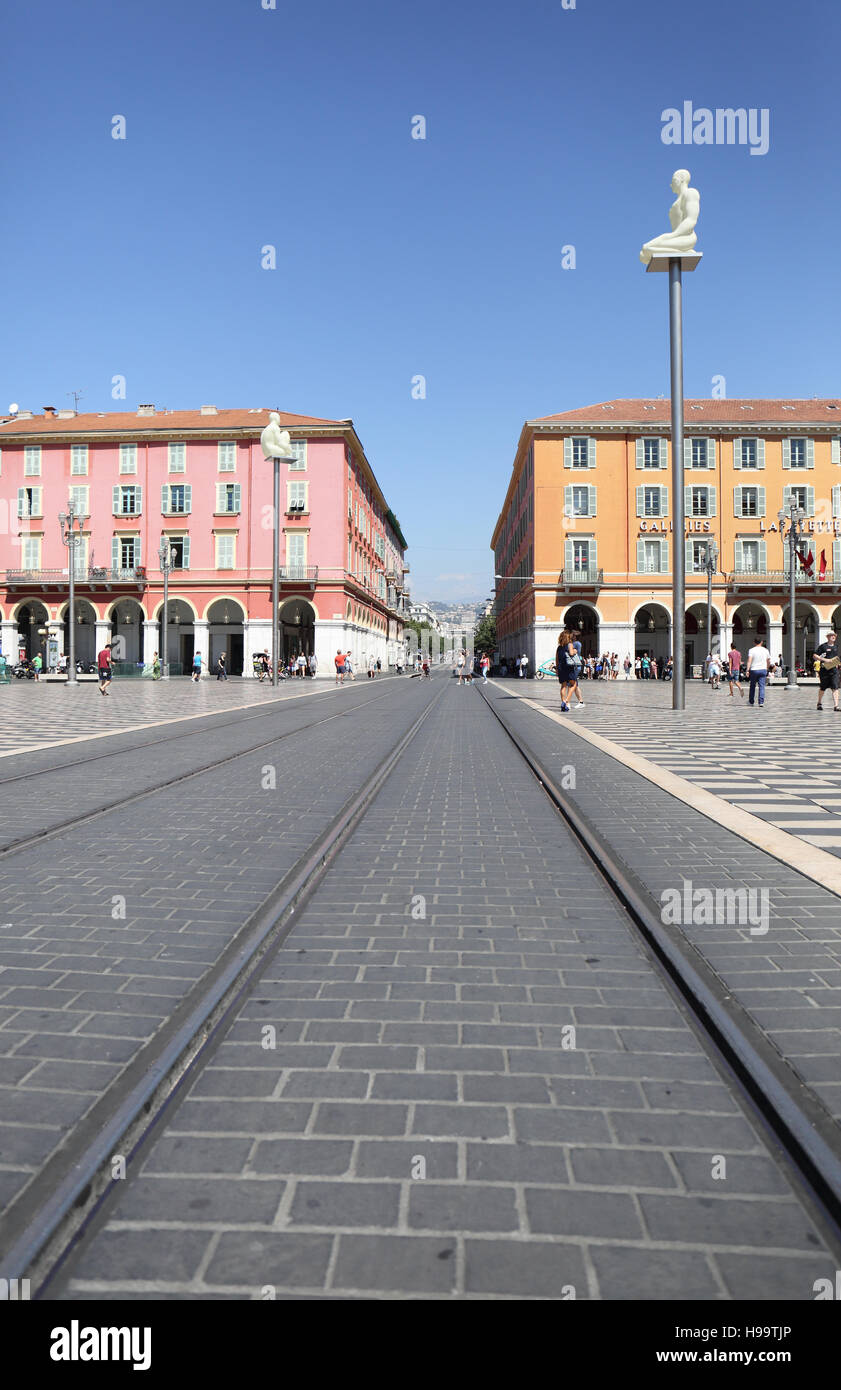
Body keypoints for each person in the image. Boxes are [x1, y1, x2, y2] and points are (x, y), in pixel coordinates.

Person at [814, 629, 841, 711]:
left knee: (835, 687)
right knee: (823, 687)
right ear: (827, 637)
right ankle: (819, 703)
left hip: (834, 670)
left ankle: (836, 706)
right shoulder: (823, 646)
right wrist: (825, 660)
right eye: (831, 635)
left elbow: (838, 658)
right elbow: (815, 656)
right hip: (824, 670)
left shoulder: (837, 647)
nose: (833, 636)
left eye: (834, 635)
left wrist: (838, 663)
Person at [555, 628, 578, 713]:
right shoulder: (570, 644)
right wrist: (575, 651)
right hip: (568, 667)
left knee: (563, 686)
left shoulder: (559, 647)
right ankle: (567, 701)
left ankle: (563, 701)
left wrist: (557, 669)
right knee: (574, 684)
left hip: (561, 668)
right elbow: (571, 653)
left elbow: (556, 659)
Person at [746, 638, 773, 707]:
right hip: (763, 669)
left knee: (752, 686)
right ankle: (761, 702)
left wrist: (747, 670)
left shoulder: (751, 650)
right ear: (761, 642)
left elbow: (749, 660)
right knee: (762, 686)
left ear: (754, 642)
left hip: (754, 670)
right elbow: (768, 661)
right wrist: (767, 668)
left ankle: (751, 701)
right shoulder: (766, 650)